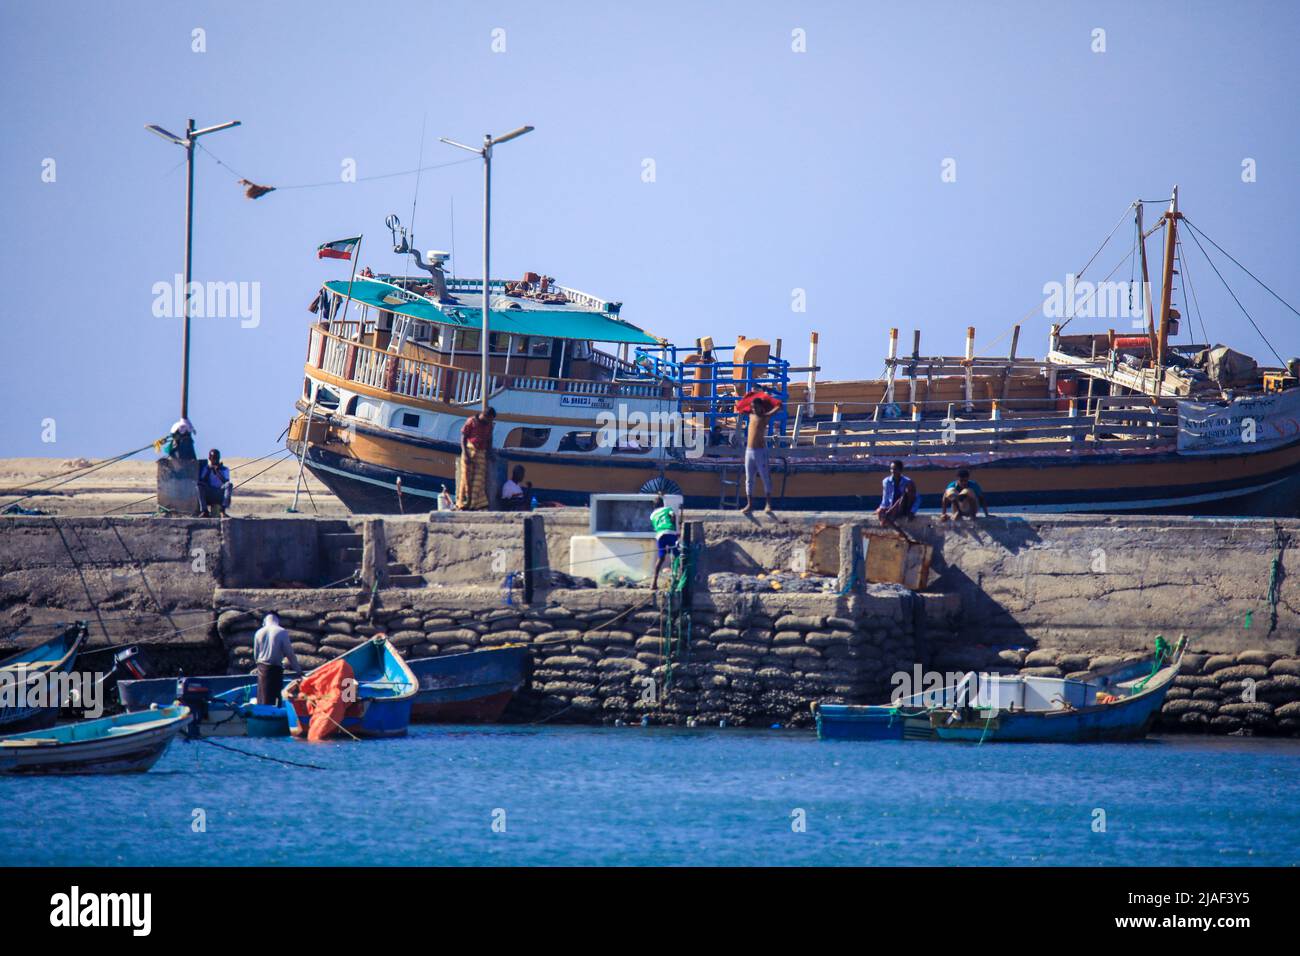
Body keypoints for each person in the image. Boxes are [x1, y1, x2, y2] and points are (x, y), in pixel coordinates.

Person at [252, 613, 301, 706]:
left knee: (263, 698)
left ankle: (263, 713)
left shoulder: (258, 632)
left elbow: (256, 656)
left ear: (265, 621)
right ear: (278, 621)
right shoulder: (281, 632)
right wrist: (298, 671)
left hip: (262, 670)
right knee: (274, 699)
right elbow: (290, 654)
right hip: (275, 670)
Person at [457, 407, 496, 510]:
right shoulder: (471, 421)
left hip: (481, 452)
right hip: (469, 451)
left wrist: (490, 452)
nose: (490, 422)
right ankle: (463, 503)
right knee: (466, 479)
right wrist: (465, 454)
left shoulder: (489, 425)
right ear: (485, 416)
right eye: (490, 419)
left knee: (479, 480)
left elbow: (489, 439)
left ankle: (473, 505)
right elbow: (463, 438)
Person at [742, 395, 776, 515]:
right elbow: (740, 406)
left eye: (756, 407)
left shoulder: (765, 417)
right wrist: (752, 395)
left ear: (761, 408)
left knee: (765, 478)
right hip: (749, 451)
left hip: (760, 451)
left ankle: (768, 504)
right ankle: (750, 504)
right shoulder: (751, 416)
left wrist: (765, 396)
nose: (754, 409)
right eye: (753, 407)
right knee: (749, 479)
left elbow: (778, 406)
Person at [876, 459, 919, 529]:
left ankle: (893, 520)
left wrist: (912, 511)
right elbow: (885, 497)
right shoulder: (886, 481)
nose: (893, 471)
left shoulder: (908, 482)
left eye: (895, 469)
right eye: (891, 469)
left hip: (903, 506)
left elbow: (916, 498)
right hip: (891, 506)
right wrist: (882, 508)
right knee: (880, 511)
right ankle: (885, 526)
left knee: (903, 496)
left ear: (901, 470)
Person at [650, 494, 680, 590]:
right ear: (663, 504)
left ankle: (653, 583)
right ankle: (676, 579)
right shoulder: (667, 509)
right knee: (677, 556)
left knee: (661, 557)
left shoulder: (652, 515)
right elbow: (673, 516)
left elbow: (655, 527)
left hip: (660, 535)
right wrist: (676, 530)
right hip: (670, 532)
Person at [196, 448, 232, 517]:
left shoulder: (224, 469)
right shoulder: (206, 468)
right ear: (210, 458)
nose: (215, 460)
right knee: (199, 486)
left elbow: (226, 481)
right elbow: (202, 481)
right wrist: (209, 471)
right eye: (213, 458)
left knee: (229, 485)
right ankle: (204, 511)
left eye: (217, 458)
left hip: (220, 493)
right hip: (210, 492)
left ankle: (222, 510)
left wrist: (217, 471)